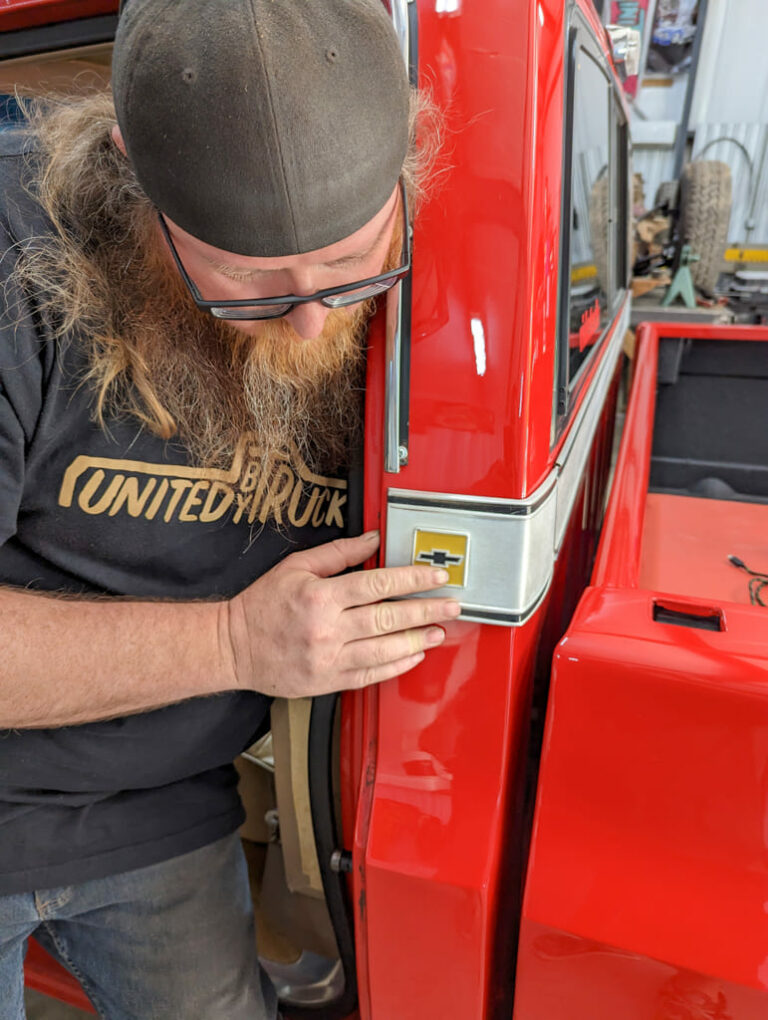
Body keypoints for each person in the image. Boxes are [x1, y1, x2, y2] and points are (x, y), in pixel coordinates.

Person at [0, 0, 456, 1016]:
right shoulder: (14, 269)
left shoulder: (406, 265)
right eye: (250, 279)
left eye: (348, 264)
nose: (308, 321)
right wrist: (236, 644)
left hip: (166, 815)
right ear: (133, 167)